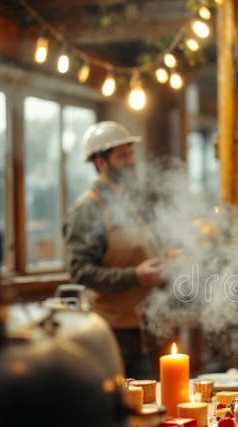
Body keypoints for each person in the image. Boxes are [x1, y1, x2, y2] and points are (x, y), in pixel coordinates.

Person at [64, 121, 164, 379]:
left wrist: (166, 260)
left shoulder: (131, 203)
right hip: (109, 333)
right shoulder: (88, 209)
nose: (131, 161)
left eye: (130, 153)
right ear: (100, 162)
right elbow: (79, 271)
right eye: (122, 156)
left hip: (142, 331)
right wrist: (134, 276)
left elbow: (139, 252)